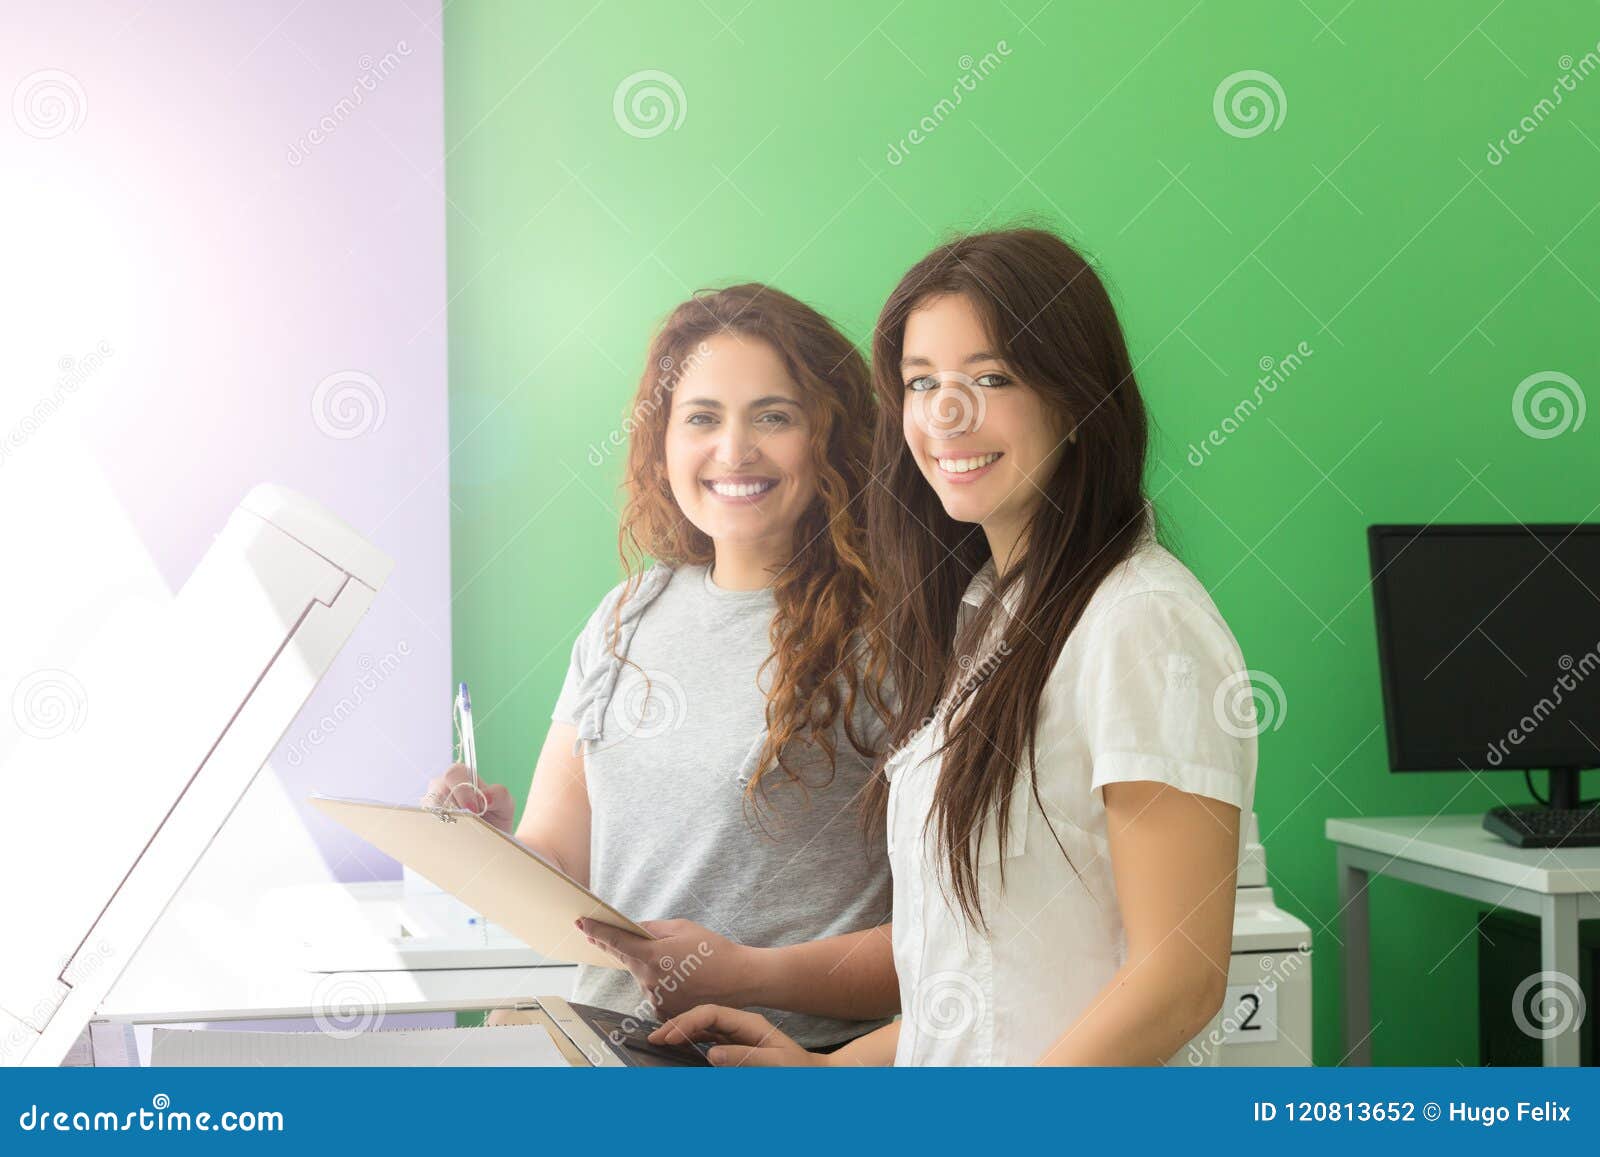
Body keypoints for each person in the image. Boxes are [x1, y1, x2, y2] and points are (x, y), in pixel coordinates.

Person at [652, 228, 1258, 1065]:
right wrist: (825, 1075)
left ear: (1078, 399)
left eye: (990, 377)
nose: (947, 414)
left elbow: (1177, 979)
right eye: (921, 382)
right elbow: (981, 989)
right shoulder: (985, 622)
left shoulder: (1141, 623)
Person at [425, 283, 899, 1050]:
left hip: (778, 1067)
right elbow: (558, 866)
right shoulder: (625, 614)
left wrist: (744, 969)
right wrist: (482, 844)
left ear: (829, 437)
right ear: (663, 442)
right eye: (703, 418)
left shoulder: (893, 633)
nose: (734, 449)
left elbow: (953, 948)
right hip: (606, 1052)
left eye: (773, 416)